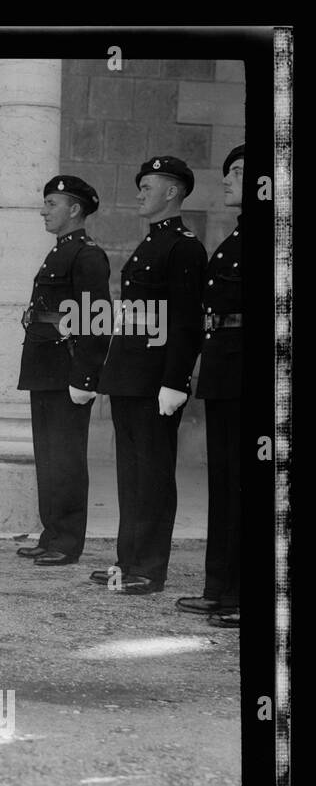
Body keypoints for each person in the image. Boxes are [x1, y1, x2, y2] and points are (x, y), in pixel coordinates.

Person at [92, 156, 206, 594]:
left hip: (156, 380)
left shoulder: (183, 247)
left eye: (148, 186)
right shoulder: (152, 242)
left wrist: (175, 381)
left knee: (154, 474)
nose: (140, 192)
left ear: (173, 192)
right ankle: (128, 560)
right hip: (130, 376)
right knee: (131, 475)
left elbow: (185, 321)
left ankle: (149, 567)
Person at [16, 176, 110, 567]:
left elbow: (96, 319)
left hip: (67, 368)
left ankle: (67, 541)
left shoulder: (87, 255)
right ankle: (51, 533)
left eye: (51, 203)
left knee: (67, 458)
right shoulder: (59, 252)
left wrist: (85, 377)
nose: (44, 210)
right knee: (49, 457)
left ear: (75, 209)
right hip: (44, 364)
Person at [177, 145, 244, 628]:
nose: (227, 179)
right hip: (225, 368)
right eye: (229, 172)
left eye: (240, 172)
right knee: (224, 485)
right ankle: (220, 590)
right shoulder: (236, 237)